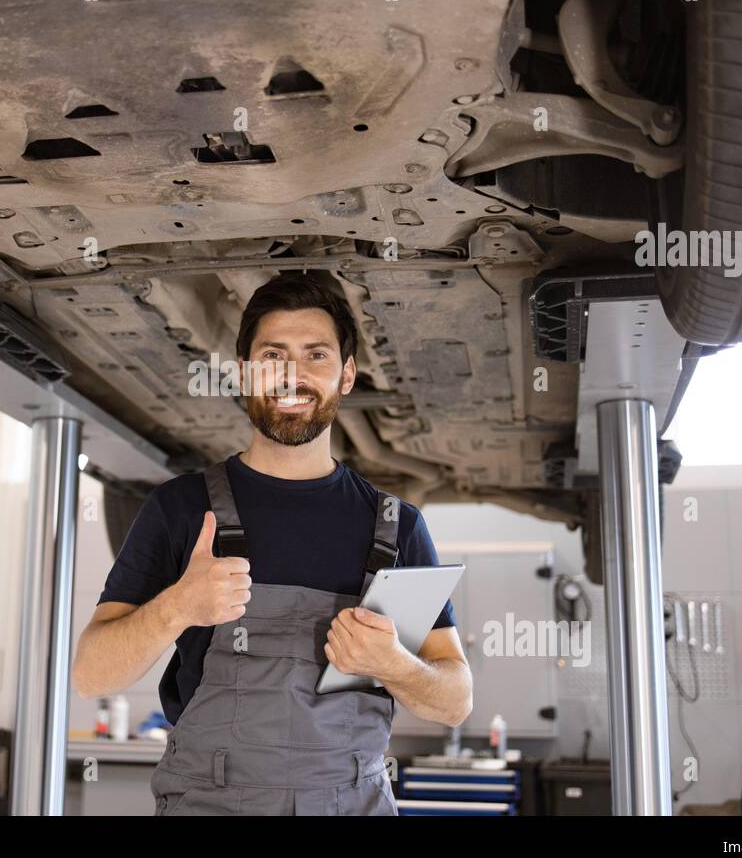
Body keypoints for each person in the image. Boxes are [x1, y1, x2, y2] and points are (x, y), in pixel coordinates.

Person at [73, 272, 473, 815]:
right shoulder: (181, 509)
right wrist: (177, 608)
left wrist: (395, 664)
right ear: (243, 373)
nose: (293, 374)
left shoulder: (397, 527)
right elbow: (92, 674)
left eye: (316, 355)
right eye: (273, 355)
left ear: (347, 375)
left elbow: (455, 703)